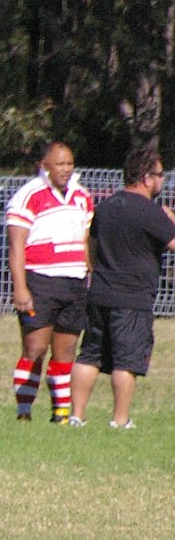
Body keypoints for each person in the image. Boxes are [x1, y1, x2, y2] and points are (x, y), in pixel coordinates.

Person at [67, 145, 175, 429]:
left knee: (89, 355)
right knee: (126, 361)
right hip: (133, 298)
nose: (162, 181)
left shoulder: (105, 208)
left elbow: (89, 244)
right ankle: (120, 419)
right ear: (145, 177)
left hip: (100, 293)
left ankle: (76, 415)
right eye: (160, 175)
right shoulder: (151, 213)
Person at [6, 140, 92, 422]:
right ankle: (24, 411)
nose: (66, 169)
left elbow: (87, 239)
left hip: (74, 281)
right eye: (60, 164)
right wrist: (20, 287)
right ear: (44, 166)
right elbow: (16, 245)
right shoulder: (29, 195)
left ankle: (62, 413)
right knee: (36, 348)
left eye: (70, 164)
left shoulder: (82, 196)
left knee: (66, 351)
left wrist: (89, 272)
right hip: (40, 281)